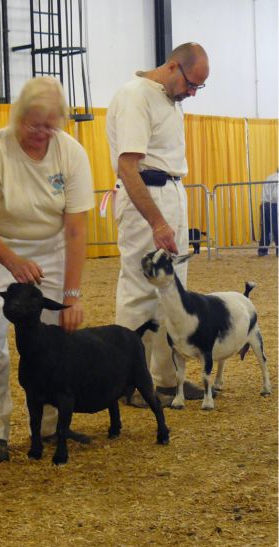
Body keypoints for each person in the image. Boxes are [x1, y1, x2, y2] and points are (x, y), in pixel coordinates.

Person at [0, 77, 95, 464]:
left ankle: (54, 424)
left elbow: (75, 228)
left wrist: (71, 297)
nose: (41, 133)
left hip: (50, 246)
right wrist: (14, 263)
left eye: (50, 126)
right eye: (33, 124)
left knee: (55, 335)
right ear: (17, 116)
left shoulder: (71, 154)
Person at [106, 42, 210, 406]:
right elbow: (128, 167)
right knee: (139, 291)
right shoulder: (136, 96)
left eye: (199, 87)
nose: (193, 93)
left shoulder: (169, 100)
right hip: (145, 198)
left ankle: (167, 379)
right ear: (172, 66)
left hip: (171, 191)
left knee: (173, 290)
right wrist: (157, 222)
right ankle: (130, 382)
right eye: (191, 84)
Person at [258, 168, 278, 256]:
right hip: (274, 205)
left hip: (264, 204)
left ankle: (262, 251)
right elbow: (276, 195)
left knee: (265, 229)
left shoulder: (270, 177)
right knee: (277, 228)